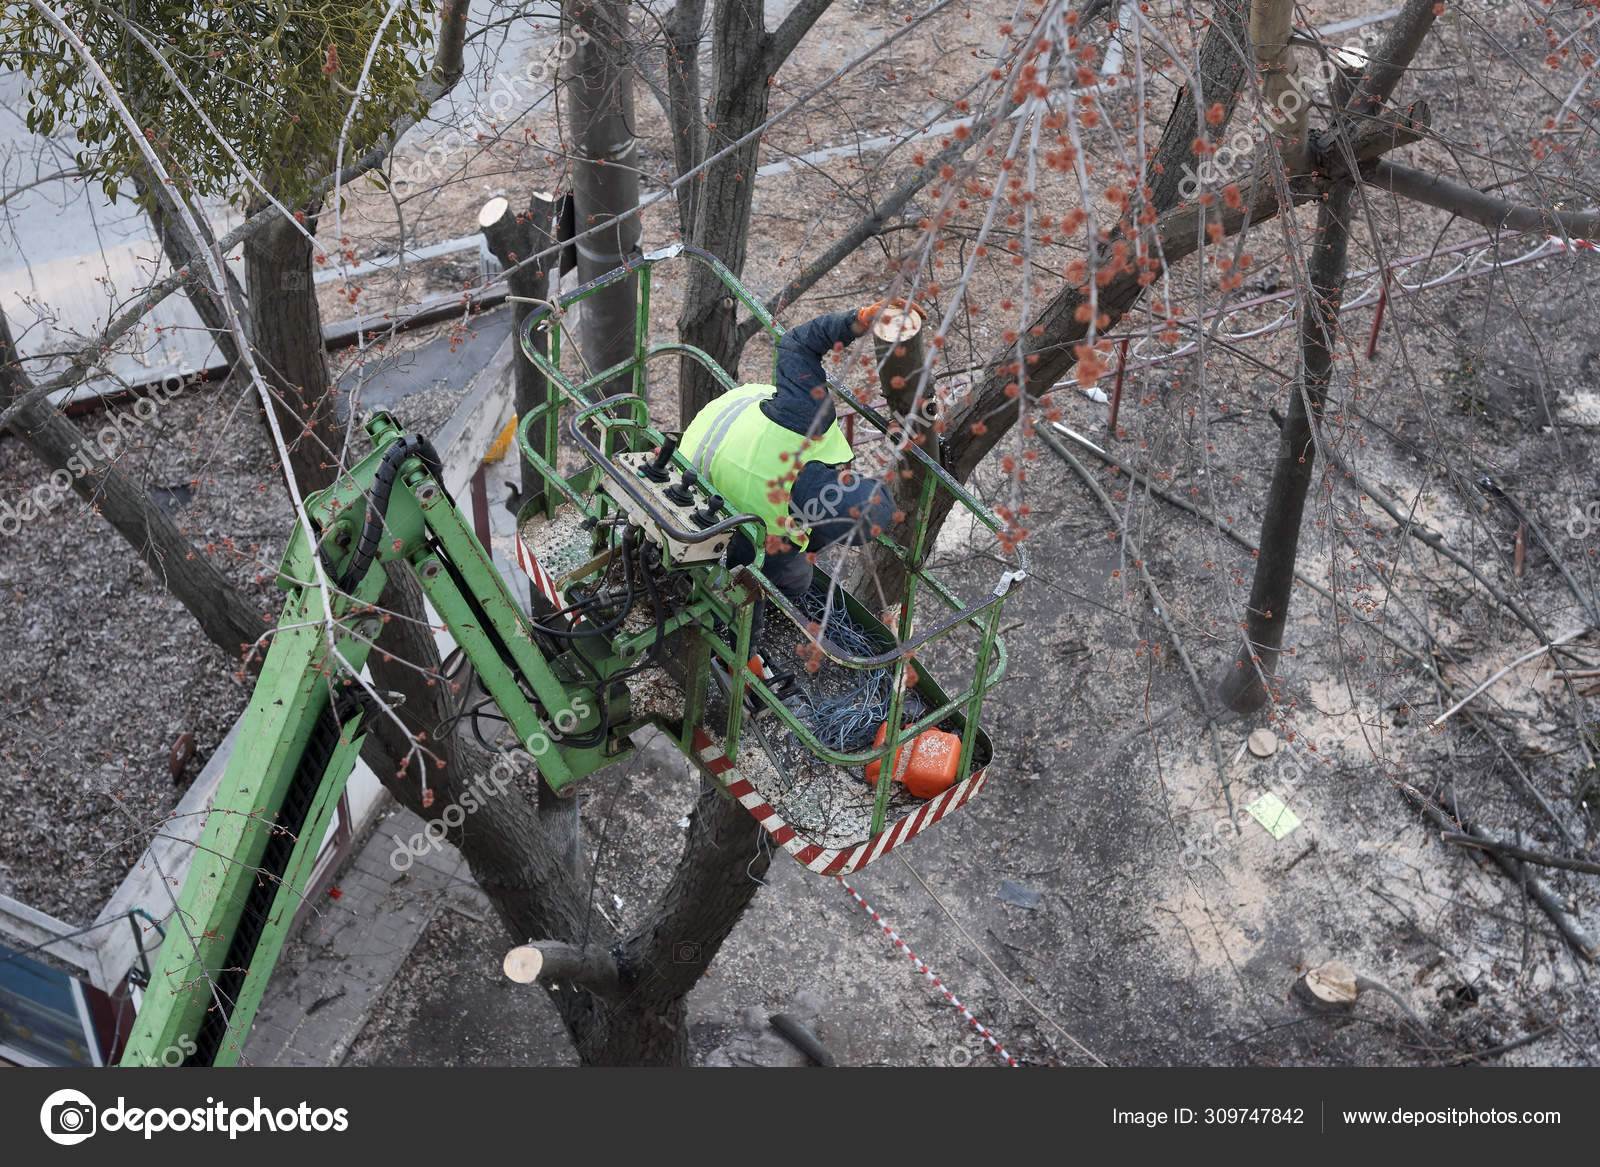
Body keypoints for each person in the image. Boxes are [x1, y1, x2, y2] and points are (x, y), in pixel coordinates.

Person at [681, 301, 904, 605]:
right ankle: (762, 616)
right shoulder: (777, 536)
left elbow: (796, 343)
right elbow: (809, 543)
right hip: (703, 494)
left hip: (704, 437)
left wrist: (857, 319)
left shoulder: (806, 415)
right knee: (796, 576)